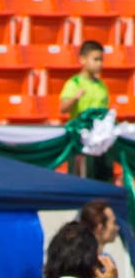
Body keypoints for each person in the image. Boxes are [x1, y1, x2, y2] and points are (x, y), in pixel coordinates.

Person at [59, 40, 112, 182]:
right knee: (81, 176)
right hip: (81, 138)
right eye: (95, 59)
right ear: (83, 59)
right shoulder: (74, 83)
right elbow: (63, 109)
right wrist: (75, 98)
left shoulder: (101, 85)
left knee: (101, 177)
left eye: (101, 60)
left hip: (100, 139)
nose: (99, 64)